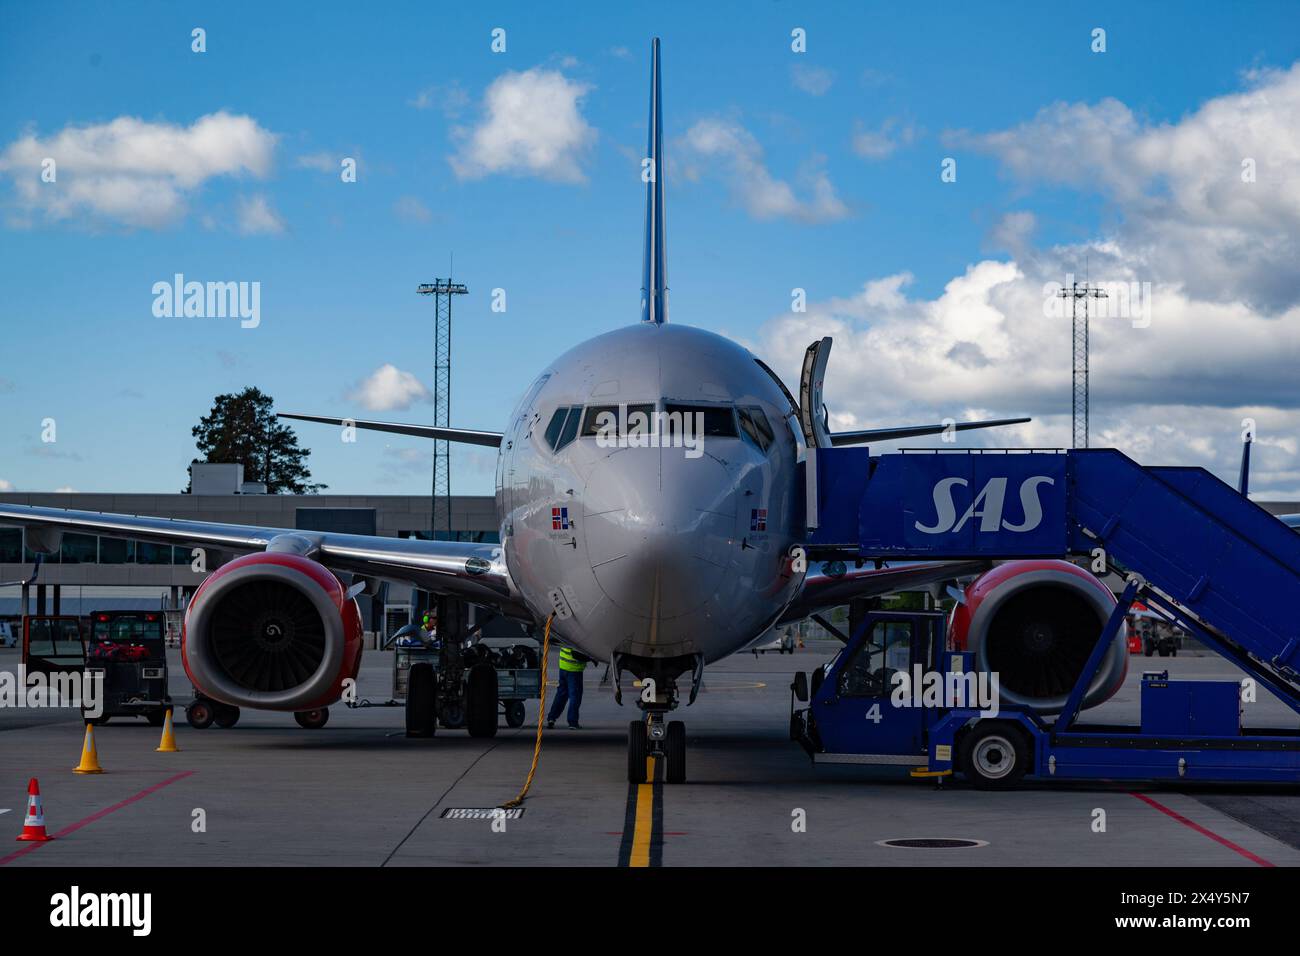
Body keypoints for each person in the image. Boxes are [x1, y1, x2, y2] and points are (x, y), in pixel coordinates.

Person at [547, 645, 594, 729]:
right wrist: (592, 658)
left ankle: (551, 718)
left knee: (561, 695)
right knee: (575, 696)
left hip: (563, 667)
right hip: (574, 670)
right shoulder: (579, 635)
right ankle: (572, 722)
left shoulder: (568, 636)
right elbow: (578, 654)